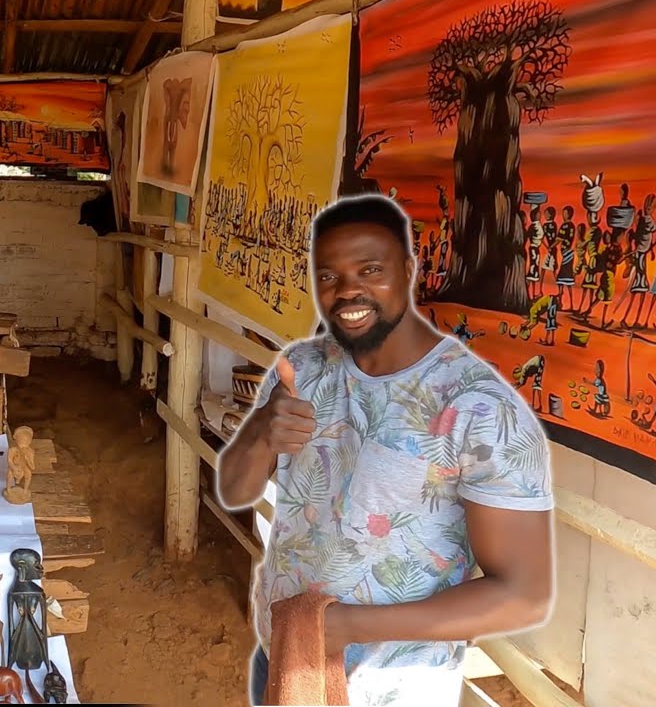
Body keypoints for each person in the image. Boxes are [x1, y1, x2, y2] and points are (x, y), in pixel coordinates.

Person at [216, 194, 555, 707]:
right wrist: (262, 429)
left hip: (396, 688)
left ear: (410, 269)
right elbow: (234, 490)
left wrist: (346, 628)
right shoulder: (302, 369)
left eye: (370, 269)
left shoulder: (479, 408)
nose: (348, 290)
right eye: (329, 276)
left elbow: (524, 596)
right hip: (284, 652)